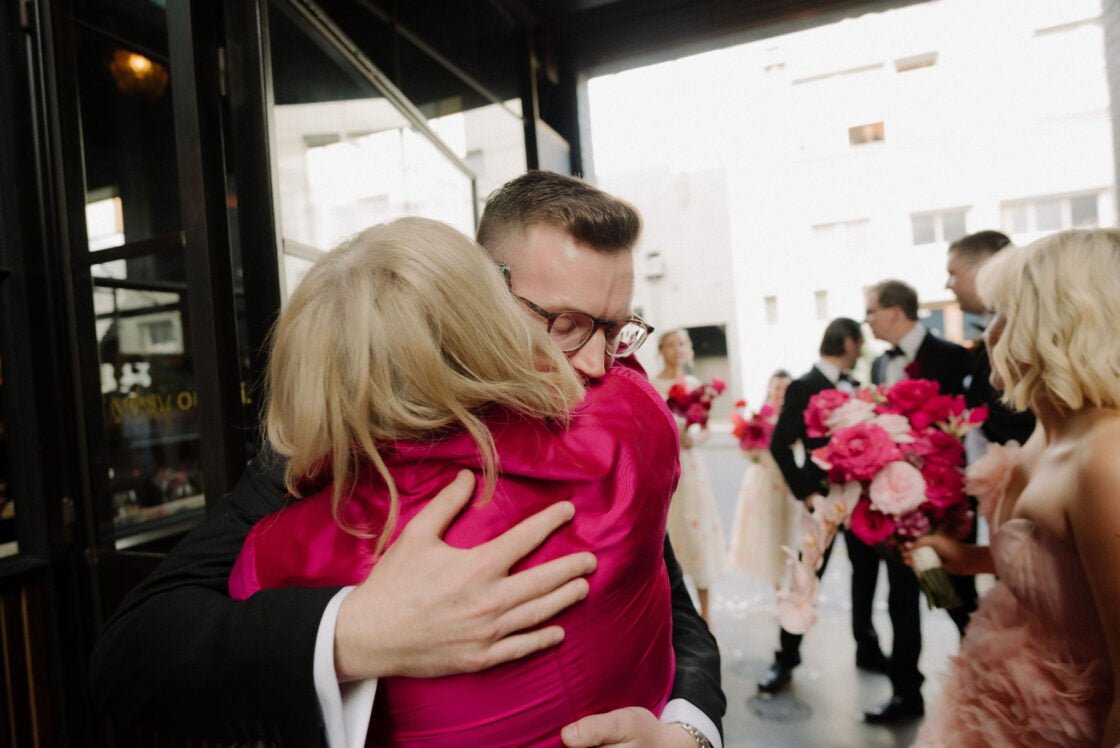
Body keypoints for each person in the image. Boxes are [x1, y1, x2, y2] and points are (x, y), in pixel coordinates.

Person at [89, 171, 724, 748]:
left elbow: (668, 596)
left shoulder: (614, 421)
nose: (596, 363)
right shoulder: (333, 445)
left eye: (617, 331)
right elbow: (131, 654)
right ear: (484, 294)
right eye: (563, 324)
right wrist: (353, 633)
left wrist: (688, 734)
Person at [229, 216, 680, 746]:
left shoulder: (278, 554)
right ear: (489, 319)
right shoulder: (631, 423)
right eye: (564, 324)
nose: (595, 360)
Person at [909, 229, 1120, 747]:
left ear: (1057, 324)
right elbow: (1063, 564)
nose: (989, 334)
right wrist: (968, 557)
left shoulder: (1104, 459)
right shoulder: (1047, 429)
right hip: (999, 698)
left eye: (1003, 313)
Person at [755, 318, 885, 695]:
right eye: (858, 342)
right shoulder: (803, 386)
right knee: (805, 577)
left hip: (860, 502)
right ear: (846, 342)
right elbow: (780, 445)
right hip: (821, 503)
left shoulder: (860, 389)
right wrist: (807, 494)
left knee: (867, 574)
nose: (861, 350)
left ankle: (868, 646)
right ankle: (785, 660)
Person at [864, 279, 974, 723]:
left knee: (958, 598)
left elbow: (964, 432)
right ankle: (906, 695)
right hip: (894, 505)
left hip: (942, 506)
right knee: (900, 602)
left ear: (895, 310)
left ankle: (984, 684)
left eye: (871, 311)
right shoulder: (878, 368)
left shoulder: (952, 357)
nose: (867, 319)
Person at [650, 329, 726, 622]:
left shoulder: (696, 386)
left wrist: (695, 439)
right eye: (670, 344)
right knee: (669, 532)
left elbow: (704, 428)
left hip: (692, 468)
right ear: (661, 350)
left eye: (681, 343)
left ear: (689, 348)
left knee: (697, 534)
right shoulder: (654, 385)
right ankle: (674, 615)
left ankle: (707, 617)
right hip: (665, 467)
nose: (676, 349)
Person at [945, 230, 1036, 455]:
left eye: (953, 274)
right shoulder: (994, 329)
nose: (948, 285)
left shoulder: (1027, 332)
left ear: (986, 269)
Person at [726, 369, 794, 589]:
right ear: (769, 389)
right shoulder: (759, 417)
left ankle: (792, 584)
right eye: (776, 387)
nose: (779, 392)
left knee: (789, 531)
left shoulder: (794, 416)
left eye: (785, 388)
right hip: (763, 480)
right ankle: (777, 588)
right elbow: (747, 452)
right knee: (770, 534)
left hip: (787, 481)